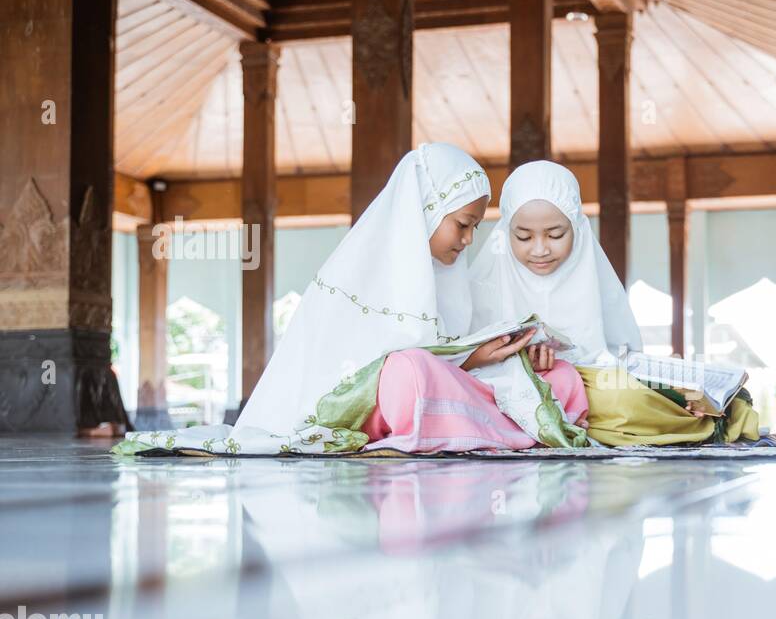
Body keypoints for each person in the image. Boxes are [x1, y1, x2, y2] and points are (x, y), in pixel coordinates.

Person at [115, 143, 587, 456]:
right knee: (408, 372)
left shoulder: (456, 277)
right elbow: (360, 376)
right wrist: (465, 359)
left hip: (447, 398)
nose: (467, 240)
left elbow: (470, 357)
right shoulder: (354, 274)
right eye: (460, 223)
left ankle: (483, 431)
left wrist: (509, 356)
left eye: (475, 228)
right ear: (425, 212)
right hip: (390, 402)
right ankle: (504, 432)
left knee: (560, 378)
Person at [469, 160, 758, 447]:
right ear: (506, 231)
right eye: (523, 236)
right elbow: (465, 363)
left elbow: (619, 354)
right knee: (617, 403)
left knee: (628, 396)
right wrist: (522, 362)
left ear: (578, 228)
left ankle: (718, 407)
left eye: (556, 234)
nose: (540, 248)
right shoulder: (484, 283)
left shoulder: (590, 271)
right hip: (522, 386)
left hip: (595, 382)